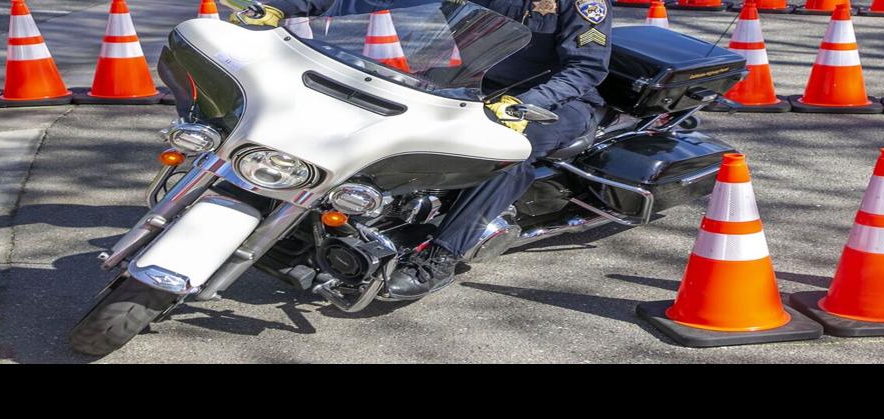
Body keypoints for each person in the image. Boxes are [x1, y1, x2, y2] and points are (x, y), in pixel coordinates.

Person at [240, 0, 613, 299]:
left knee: (507, 151)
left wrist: (525, 103)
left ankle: (441, 256)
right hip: (473, 84)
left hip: (557, 101)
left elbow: (586, 68)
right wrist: (284, 7)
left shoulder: (583, 4)